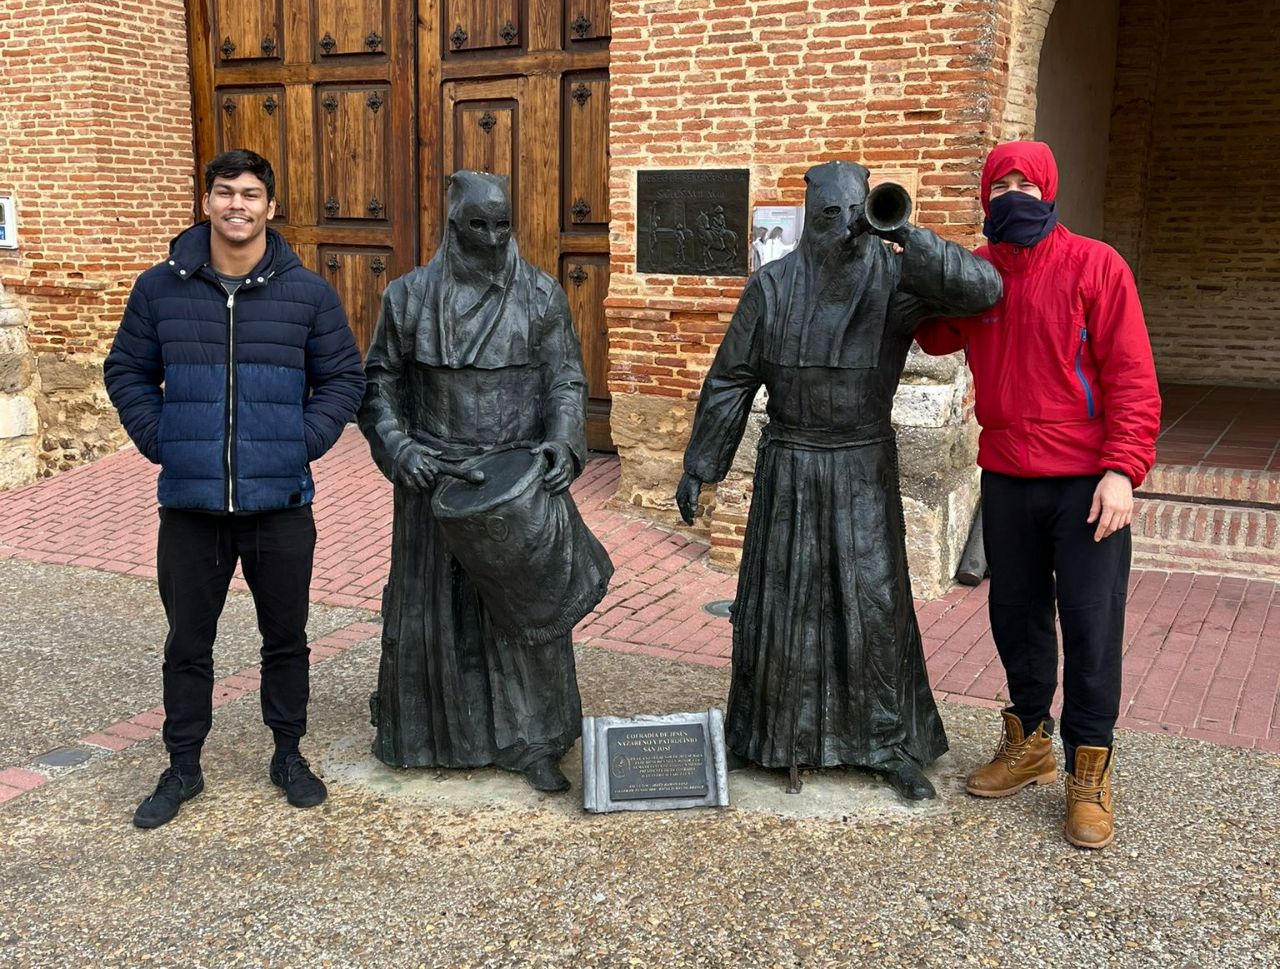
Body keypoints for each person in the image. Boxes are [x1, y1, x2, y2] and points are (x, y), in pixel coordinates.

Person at [676, 160, 1002, 800]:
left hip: (861, 465)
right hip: (790, 464)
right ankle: (771, 737)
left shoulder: (895, 275)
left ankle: (886, 743)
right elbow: (731, 381)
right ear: (808, 220)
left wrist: (908, 231)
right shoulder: (770, 287)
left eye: (855, 214)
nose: (844, 228)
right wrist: (700, 466)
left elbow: (983, 290)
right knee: (780, 603)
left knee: (872, 606)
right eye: (829, 215)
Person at [104, 150, 365, 828]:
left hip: (279, 503)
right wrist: (161, 439)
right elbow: (126, 369)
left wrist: (299, 440)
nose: (237, 205)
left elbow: (344, 378)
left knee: (287, 638)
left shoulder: (306, 292)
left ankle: (288, 753)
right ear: (207, 201)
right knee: (188, 642)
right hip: (191, 507)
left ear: (270, 207)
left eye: (251, 194)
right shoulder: (160, 288)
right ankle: (183, 765)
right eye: (225, 193)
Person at [916, 139, 1160, 849]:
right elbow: (934, 337)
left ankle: (1090, 768)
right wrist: (929, 273)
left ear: (1049, 188)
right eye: (1002, 183)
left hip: (1087, 480)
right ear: (986, 194)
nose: (1014, 192)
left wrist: (1124, 468)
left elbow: (1132, 376)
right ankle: (1030, 743)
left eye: (1027, 181)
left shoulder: (1096, 265)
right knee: (1016, 616)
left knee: (1091, 626)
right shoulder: (981, 274)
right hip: (1009, 478)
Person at [358, 170, 607, 793]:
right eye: (479, 225)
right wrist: (397, 445)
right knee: (431, 609)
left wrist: (563, 442)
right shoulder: (408, 297)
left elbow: (565, 381)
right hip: (437, 480)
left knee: (526, 618)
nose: (494, 239)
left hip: (515, 481)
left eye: (504, 226)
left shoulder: (542, 296)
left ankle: (536, 740)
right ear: (453, 225)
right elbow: (379, 384)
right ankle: (427, 733)